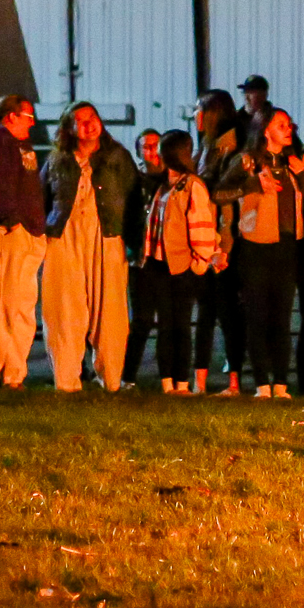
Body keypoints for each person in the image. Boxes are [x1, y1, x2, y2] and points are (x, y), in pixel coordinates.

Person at [213, 108, 304, 398]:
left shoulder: (290, 163)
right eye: (280, 124)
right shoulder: (247, 162)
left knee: (282, 319)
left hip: (287, 247)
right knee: (257, 318)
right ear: (264, 130)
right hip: (255, 247)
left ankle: (281, 385)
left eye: (289, 124)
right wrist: (253, 184)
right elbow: (219, 194)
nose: (288, 129)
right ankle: (261, 385)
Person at [41, 102, 138, 393]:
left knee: (109, 309)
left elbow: (134, 199)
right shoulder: (58, 158)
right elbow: (42, 195)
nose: (88, 124)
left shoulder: (117, 156)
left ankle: (110, 380)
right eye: (80, 120)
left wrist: (135, 242)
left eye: (92, 117)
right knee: (64, 308)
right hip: (64, 234)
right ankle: (67, 381)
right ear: (69, 128)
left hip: (106, 233)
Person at [136, 130, 222, 395]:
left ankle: (182, 382)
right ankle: (166, 383)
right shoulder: (163, 186)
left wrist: (200, 260)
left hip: (182, 266)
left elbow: (201, 225)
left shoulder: (192, 185)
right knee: (165, 327)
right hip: (159, 265)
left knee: (181, 326)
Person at [0, 94, 47, 390]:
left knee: (20, 307)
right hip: (4, 231)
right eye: (27, 116)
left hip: (23, 230)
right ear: (10, 116)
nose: (33, 122)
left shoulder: (18, 142)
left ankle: (14, 374)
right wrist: (13, 222)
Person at [193, 90, 246, 395]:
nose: (196, 116)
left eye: (200, 109)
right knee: (207, 312)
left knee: (226, 312)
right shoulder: (208, 146)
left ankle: (233, 380)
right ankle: (201, 380)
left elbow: (225, 199)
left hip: (221, 241)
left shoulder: (228, 147)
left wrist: (222, 247)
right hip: (207, 237)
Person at [123, 128, 167, 383]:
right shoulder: (135, 181)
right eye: (146, 146)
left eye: (155, 145)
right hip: (140, 257)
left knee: (167, 321)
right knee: (142, 320)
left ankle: (168, 377)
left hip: (164, 258)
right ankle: (128, 376)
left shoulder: (169, 179)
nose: (151, 151)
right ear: (139, 151)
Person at [233, 74, 274, 148]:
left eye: (252, 92)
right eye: (245, 92)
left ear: (264, 95)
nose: (247, 97)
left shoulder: (277, 118)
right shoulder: (236, 119)